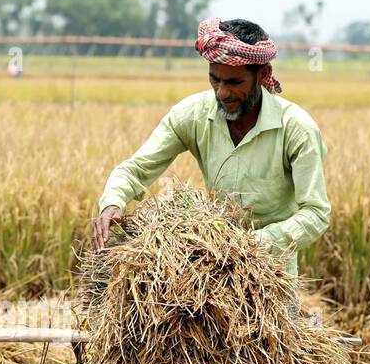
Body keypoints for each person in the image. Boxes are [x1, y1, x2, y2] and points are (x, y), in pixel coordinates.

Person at [91, 17, 331, 278]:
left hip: (272, 274)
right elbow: (134, 170)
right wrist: (113, 203)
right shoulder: (192, 115)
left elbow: (316, 213)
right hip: (209, 271)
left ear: (262, 76)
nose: (222, 93)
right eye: (215, 80)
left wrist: (252, 244)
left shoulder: (297, 129)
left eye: (234, 83)